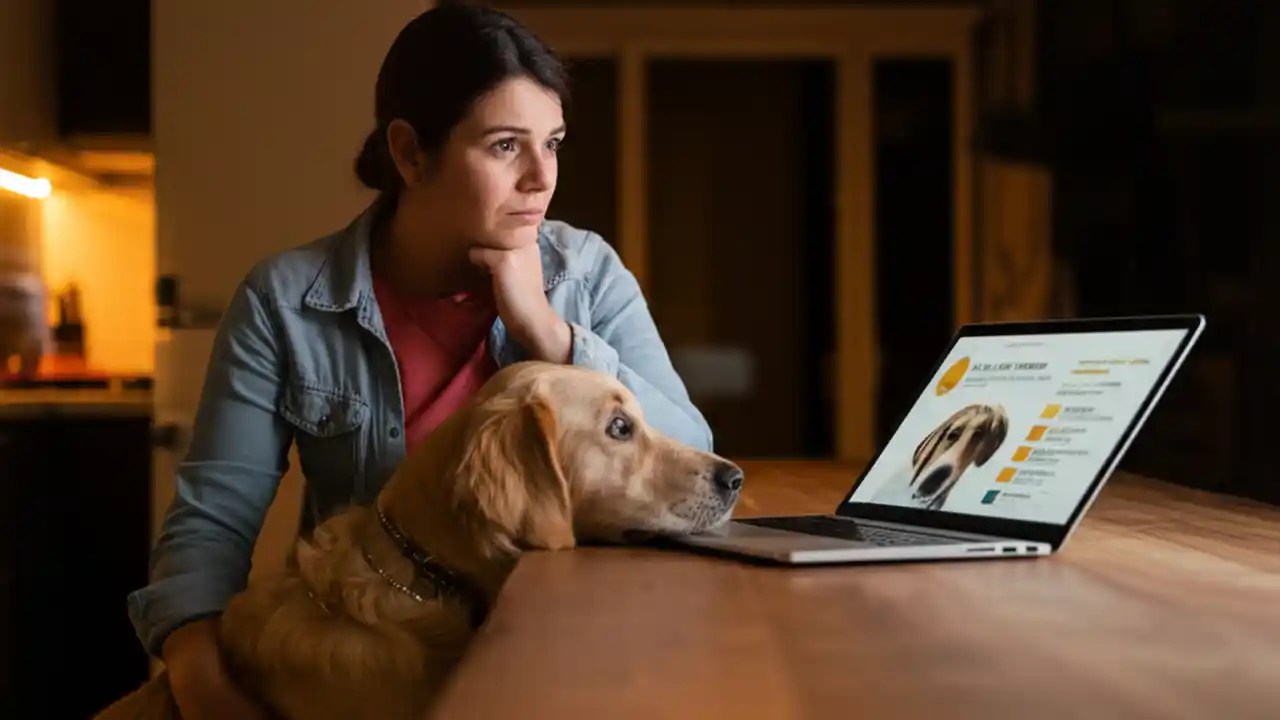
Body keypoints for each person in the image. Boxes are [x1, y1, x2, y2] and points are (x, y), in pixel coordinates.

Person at [128, 4, 711, 717]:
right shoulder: (286, 300)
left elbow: (689, 453)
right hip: (361, 670)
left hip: (561, 651)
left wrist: (548, 331)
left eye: (552, 143)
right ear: (409, 153)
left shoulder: (585, 274)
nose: (541, 178)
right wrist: (206, 692)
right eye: (505, 146)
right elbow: (211, 525)